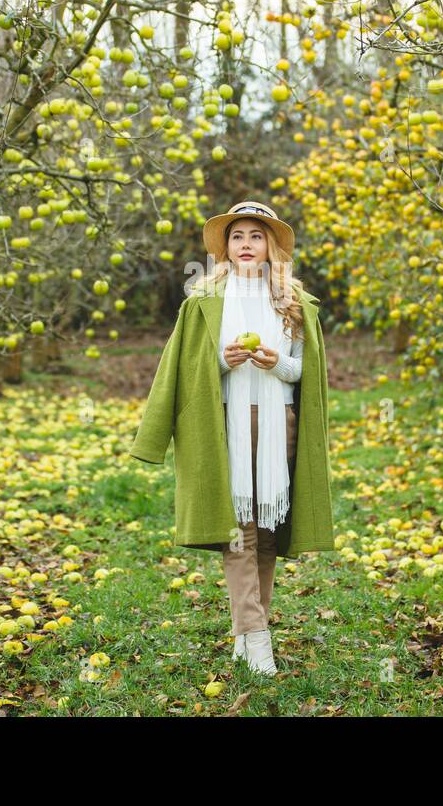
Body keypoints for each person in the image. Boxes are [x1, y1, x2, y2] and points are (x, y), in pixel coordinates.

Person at [129, 200, 334, 676]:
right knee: (236, 529)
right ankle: (257, 636)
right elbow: (182, 370)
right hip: (225, 424)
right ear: (225, 246)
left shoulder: (295, 304)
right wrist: (223, 360)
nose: (246, 244)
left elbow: (302, 369)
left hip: (277, 422)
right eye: (238, 236)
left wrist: (274, 363)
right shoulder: (202, 304)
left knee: (265, 530)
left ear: (271, 247)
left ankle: (247, 634)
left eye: (256, 236)